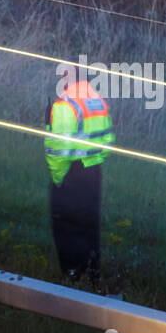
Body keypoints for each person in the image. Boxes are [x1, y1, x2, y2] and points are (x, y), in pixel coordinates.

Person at [44, 80, 114, 286]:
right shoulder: (97, 101)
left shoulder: (64, 105)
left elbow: (59, 151)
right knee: (89, 225)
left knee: (66, 226)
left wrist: (58, 178)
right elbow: (107, 141)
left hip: (71, 173)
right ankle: (93, 275)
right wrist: (93, 160)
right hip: (94, 172)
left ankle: (72, 277)